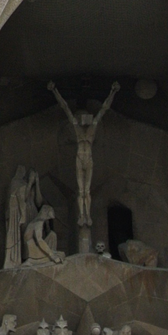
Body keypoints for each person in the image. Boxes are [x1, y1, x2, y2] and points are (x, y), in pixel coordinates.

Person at [48, 81, 120, 238]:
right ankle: (82, 216)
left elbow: (103, 110)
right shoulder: (77, 129)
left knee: (87, 191)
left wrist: (113, 92)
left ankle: (87, 216)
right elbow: (65, 108)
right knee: (82, 191)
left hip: (88, 160)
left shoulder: (93, 129)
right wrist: (55, 91)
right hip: (80, 160)